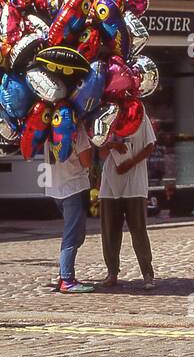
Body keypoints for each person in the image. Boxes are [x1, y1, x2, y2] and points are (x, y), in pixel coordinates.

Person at [99, 116, 157, 290]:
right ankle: (112, 272)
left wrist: (131, 163)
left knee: (138, 230)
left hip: (135, 182)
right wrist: (111, 144)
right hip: (110, 182)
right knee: (110, 231)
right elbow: (100, 152)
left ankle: (147, 273)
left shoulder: (139, 114)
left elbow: (150, 145)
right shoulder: (105, 115)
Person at [47, 127, 96, 293]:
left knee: (75, 234)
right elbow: (86, 161)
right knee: (72, 236)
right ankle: (67, 279)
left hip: (54, 187)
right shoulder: (77, 129)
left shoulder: (47, 128)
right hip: (74, 187)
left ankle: (64, 275)